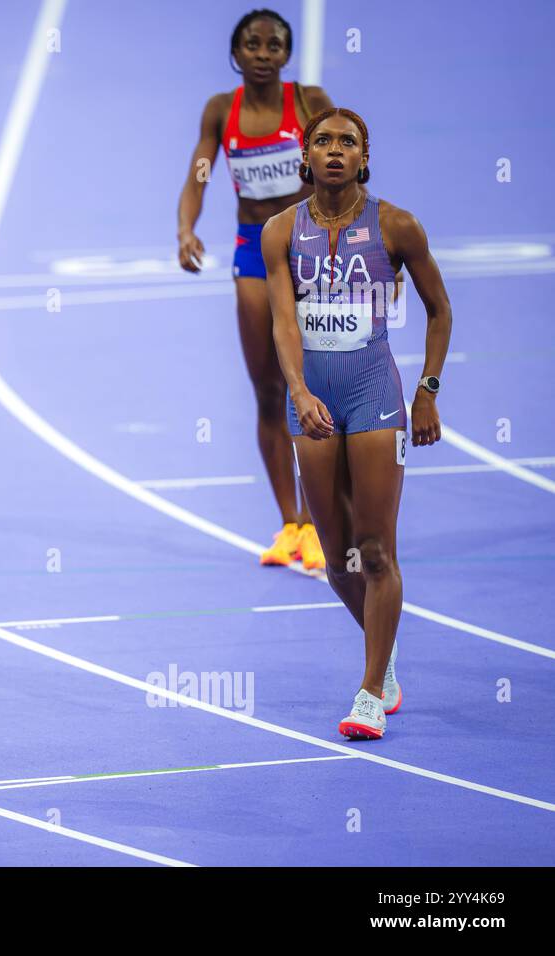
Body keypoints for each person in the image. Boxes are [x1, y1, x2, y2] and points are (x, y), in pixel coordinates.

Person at [261, 108, 451, 739]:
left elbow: (439, 310)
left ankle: (370, 692)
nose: (335, 150)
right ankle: (383, 650)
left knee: (374, 549)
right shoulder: (280, 232)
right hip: (312, 401)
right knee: (339, 559)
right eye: (323, 141)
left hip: (374, 397)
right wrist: (298, 390)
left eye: (348, 142)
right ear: (306, 155)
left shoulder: (396, 226)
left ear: (364, 157)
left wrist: (427, 391)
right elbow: (284, 323)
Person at [177, 8, 333, 569]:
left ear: (286, 55)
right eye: (252, 44)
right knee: (268, 389)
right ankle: (291, 525)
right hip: (253, 251)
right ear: (235, 53)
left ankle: (321, 521)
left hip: (310, 250)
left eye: (273, 45)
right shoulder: (222, 111)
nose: (263, 54)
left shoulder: (308, 102)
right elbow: (199, 174)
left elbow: (344, 166)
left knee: (313, 386)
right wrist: (186, 227)